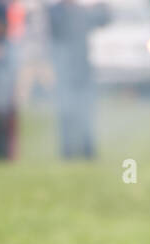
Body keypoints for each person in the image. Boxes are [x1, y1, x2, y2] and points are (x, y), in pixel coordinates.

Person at [46, 0, 108, 159]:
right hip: (64, 70)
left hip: (83, 68)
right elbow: (57, 27)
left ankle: (88, 150)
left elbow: (104, 19)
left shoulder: (82, 12)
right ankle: (67, 151)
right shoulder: (56, 11)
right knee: (65, 112)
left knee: (86, 112)